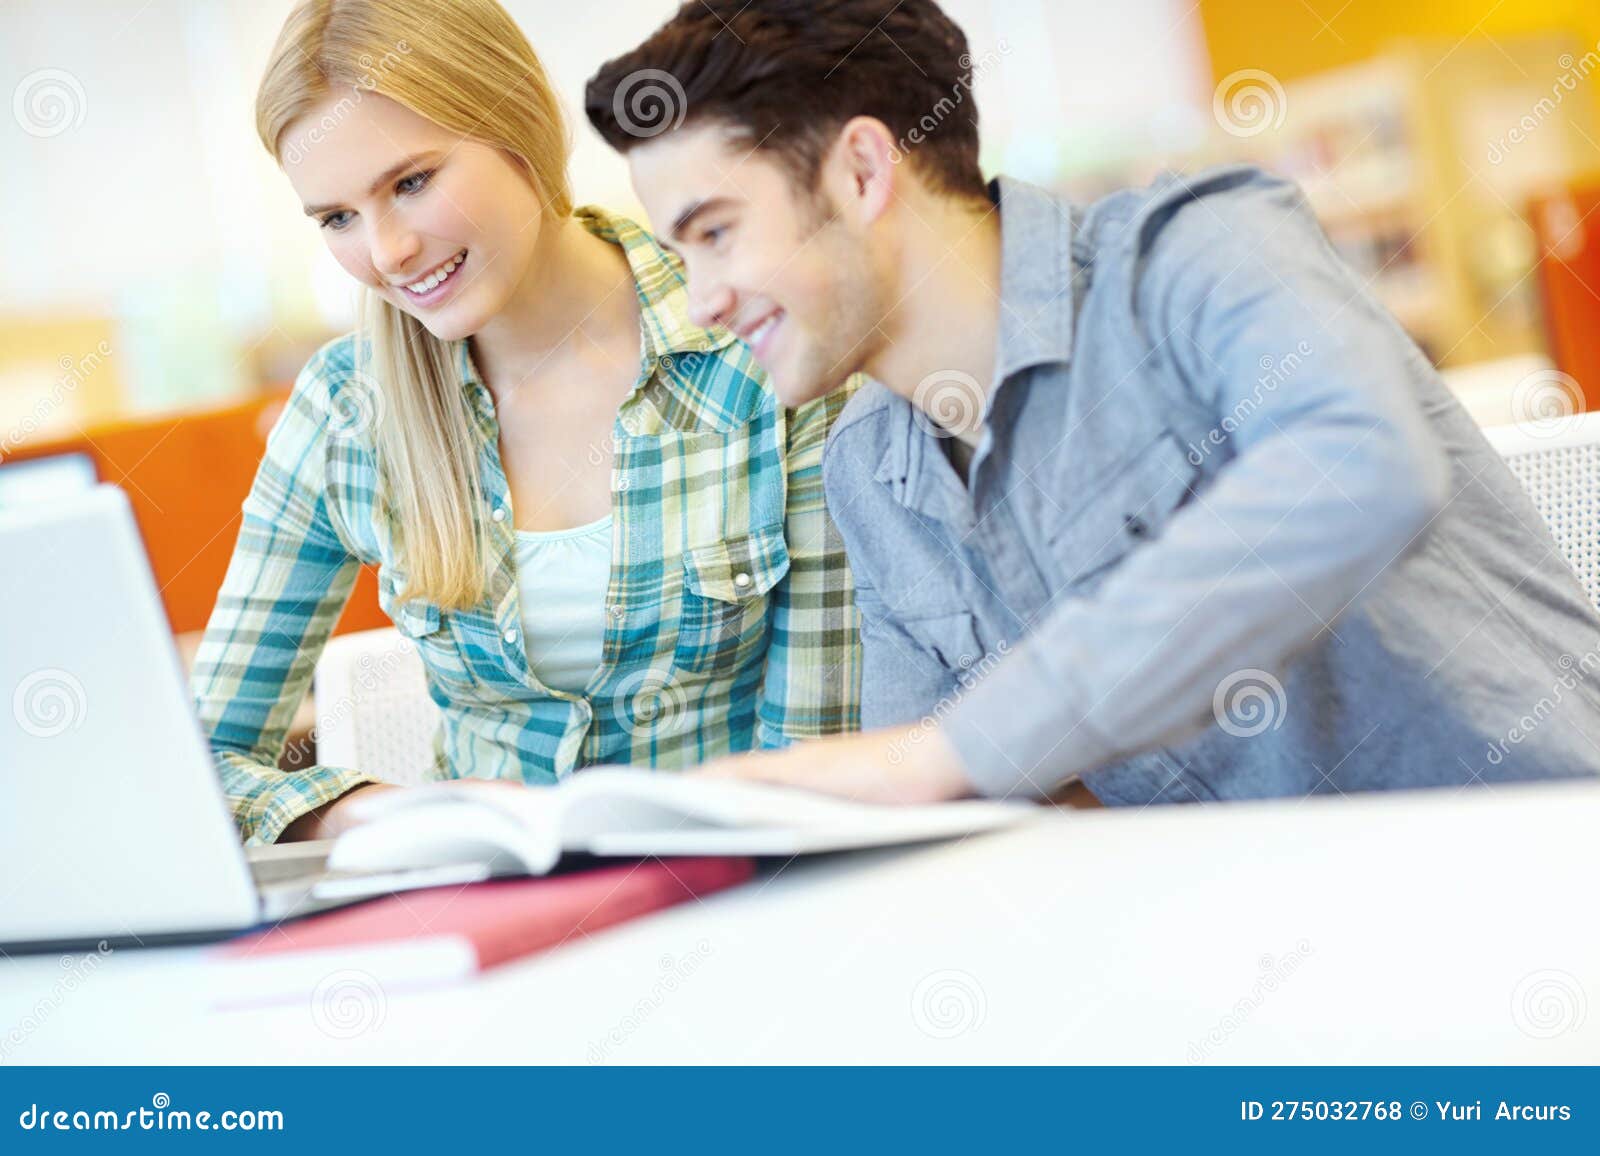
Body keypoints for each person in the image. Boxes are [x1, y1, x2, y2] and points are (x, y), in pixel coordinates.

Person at [582, 0, 1600, 806]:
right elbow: (936, 797)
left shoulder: (1198, 253)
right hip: (1260, 957)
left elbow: (1359, 471)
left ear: (858, 169)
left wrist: (952, 753)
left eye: (714, 232)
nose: (703, 302)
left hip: (1529, 873)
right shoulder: (868, 468)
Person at [192, 0, 860, 846]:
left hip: (741, 894)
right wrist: (382, 810)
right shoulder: (342, 411)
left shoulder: (752, 340)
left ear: (522, 128)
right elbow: (204, 763)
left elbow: (819, 756)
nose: (387, 252)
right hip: (481, 915)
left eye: (412, 182)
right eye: (337, 218)